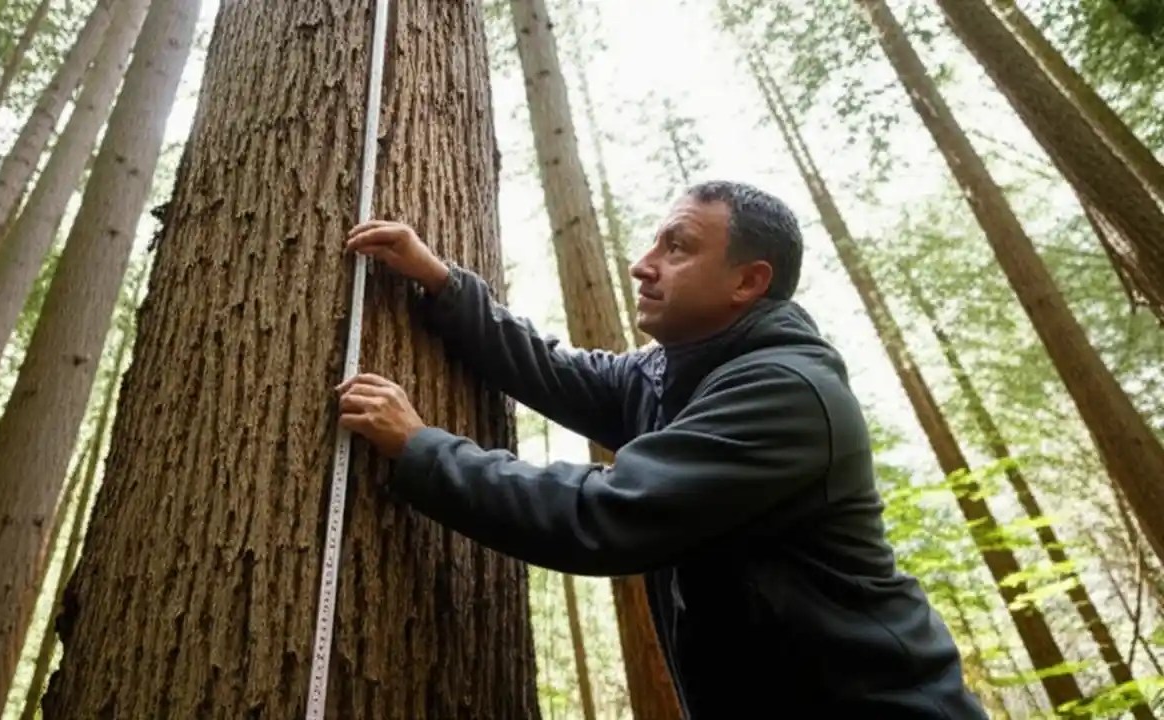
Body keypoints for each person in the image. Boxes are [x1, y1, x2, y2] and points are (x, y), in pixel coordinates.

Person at [337, 180, 987, 718]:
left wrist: (422, 449)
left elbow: (607, 515)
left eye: (677, 247)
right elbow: (560, 370)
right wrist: (445, 284)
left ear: (747, 282)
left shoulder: (787, 391)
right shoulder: (667, 373)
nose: (642, 263)